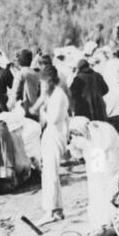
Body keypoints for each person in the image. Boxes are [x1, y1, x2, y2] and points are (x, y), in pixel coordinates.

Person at [38, 65, 70, 221]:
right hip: (52, 134)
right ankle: (57, 210)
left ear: (50, 81)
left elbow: (54, 118)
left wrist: (43, 111)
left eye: (44, 83)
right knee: (49, 174)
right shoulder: (55, 95)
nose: (42, 87)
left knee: (50, 174)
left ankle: (50, 211)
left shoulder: (58, 95)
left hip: (55, 135)